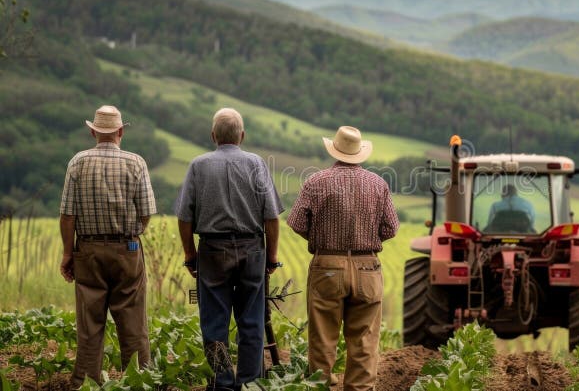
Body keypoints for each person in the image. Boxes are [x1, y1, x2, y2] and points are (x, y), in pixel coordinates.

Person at [175, 108, 283, 391]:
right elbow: (271, 216)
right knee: (251, 321)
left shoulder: (198, 166)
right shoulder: (256, 164)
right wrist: (271, 256)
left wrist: (190, 254)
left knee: (214, 323)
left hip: (212, 250)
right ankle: (249, 383)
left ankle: (222, 384)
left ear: (213, 136)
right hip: (252, 249)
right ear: (242, 136)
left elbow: (184, 217)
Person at [287, 126, 399, 391]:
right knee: (364, 342)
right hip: (368, 268)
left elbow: (296, 222)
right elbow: (390, 228)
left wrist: (321, 241)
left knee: (323, 340)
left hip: (327, 266)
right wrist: (365, 243)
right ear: (360, 152)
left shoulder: (316, 181)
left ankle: (319, 386)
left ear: (334, 150)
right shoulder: (378, 184)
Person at [59, 105, 157, 389]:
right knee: (133, 323)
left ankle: (85, 384)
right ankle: (138, 383)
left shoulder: (77, 162)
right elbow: (147, 211)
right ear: (121, 131)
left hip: (88, 250)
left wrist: (69, 253)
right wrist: (133, 234)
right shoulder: (136, 163)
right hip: (127, 249)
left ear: (93, 131)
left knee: (90, 326)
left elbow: (67, 214)